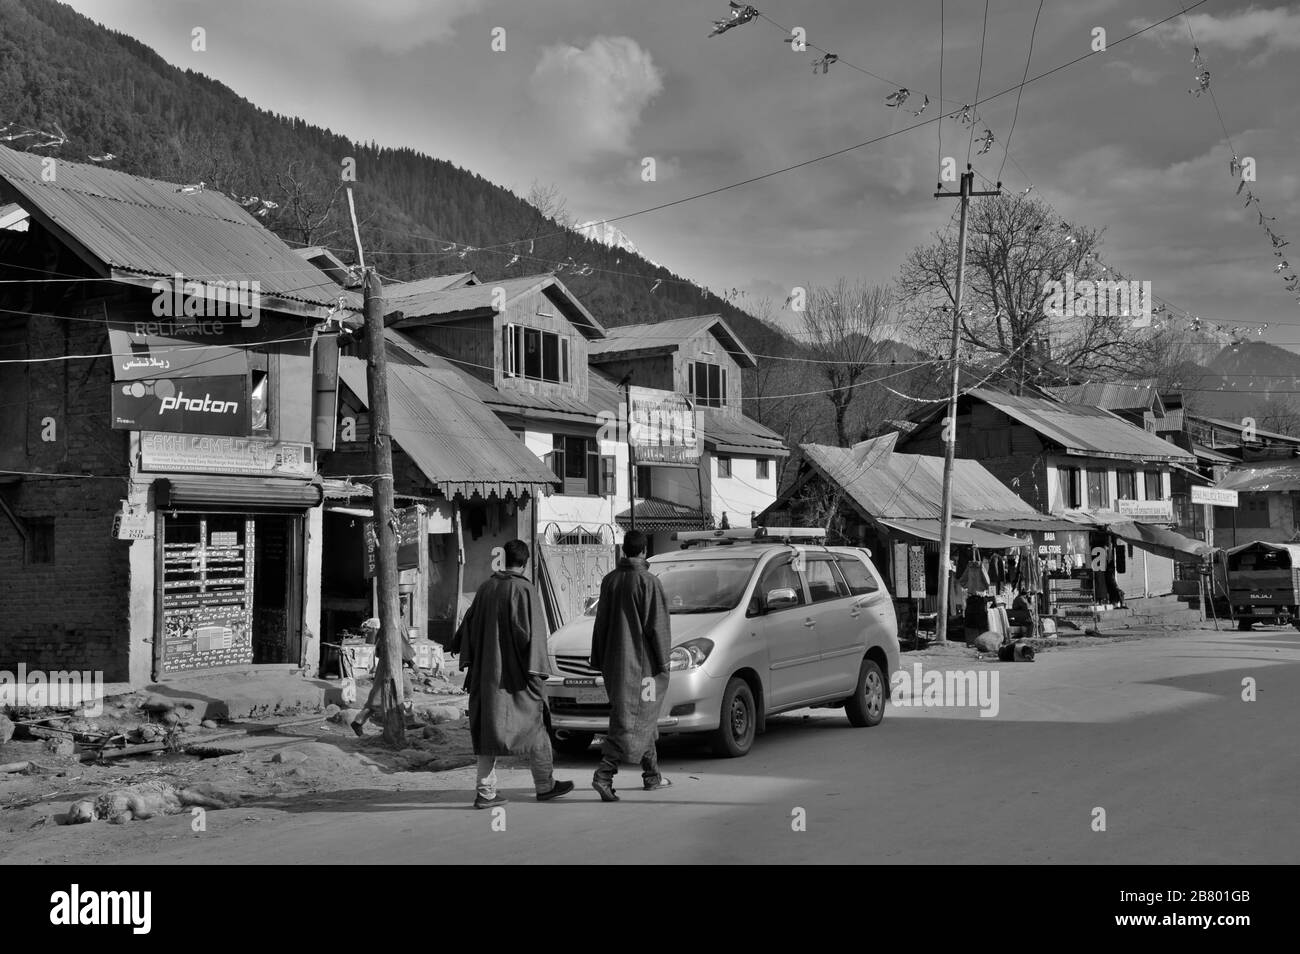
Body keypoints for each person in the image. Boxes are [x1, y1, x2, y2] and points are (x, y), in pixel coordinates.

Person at [450, 539, 573, 809]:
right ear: (526, 562)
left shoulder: (485, 588)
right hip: (519, 677)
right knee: (536, 726)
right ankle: (545, 785)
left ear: (503, 559)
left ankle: (486, 792)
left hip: (487, 675)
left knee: (488, 733)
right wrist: (538, 674)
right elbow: (535, 638)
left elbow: (468, 627)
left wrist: (461, 650)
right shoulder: (525, 590)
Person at [589, 530, 672, 802]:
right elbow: (657, 628)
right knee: (632, 720)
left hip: (614, 666)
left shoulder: (610, 580)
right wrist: (663, 663)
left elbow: (600, 624)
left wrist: (598, 660)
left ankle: (652, 776)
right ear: (644, 551)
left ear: (624, 550)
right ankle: (604, 774)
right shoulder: (648, 582)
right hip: (643, 669)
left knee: (640, 717)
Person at [351, 616, 417, 737]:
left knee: (402, 692)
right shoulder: (389, 629)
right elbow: (401, 648)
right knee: (380, 698)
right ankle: (358, 722)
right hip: (390, 666)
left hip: (393, 666)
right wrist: (412, 664)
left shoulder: (390, 629)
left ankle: (409, 720)